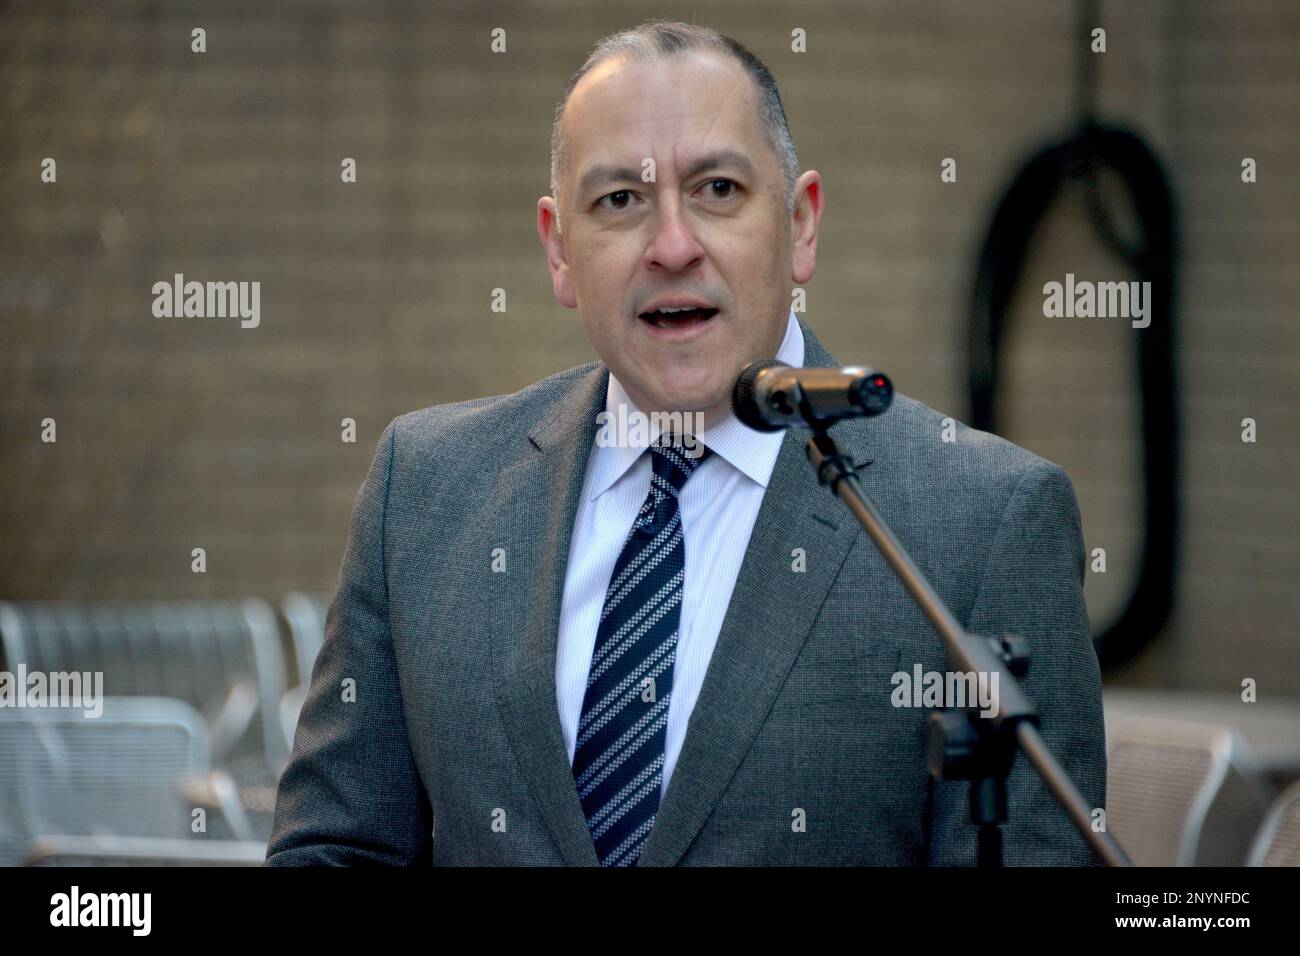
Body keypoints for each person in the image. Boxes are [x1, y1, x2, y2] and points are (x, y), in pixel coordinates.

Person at [266, 19, 1106, 866]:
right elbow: (335, 848)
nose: (672, 246)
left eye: (717, 189)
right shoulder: (425, 490)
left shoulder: (984, 521)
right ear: (560, 250)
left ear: (802, 223)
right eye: (620, 202)